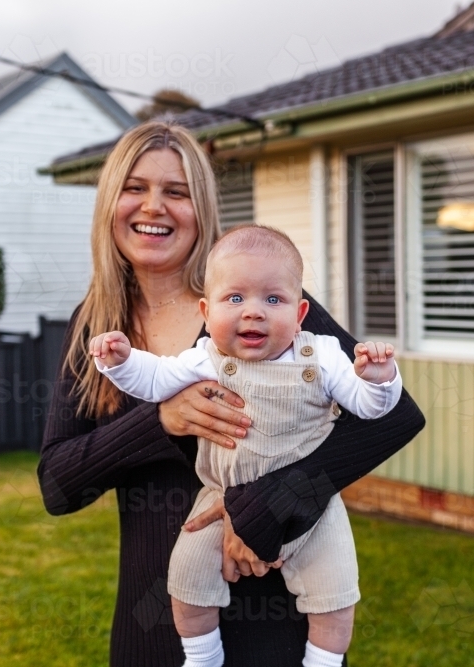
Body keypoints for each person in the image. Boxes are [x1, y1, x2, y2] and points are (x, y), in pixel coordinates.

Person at [37, 120, 426, 667]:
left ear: (202, 208)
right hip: (151, 618)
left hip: (271, 612)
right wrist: (161, 421)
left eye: (176, 192)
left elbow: (394, 416)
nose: (153, 207)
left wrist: (267, 505)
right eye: (135, 187)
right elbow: (58, 485)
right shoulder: (96, 328)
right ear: (109, 204)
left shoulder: (259, 301)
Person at [89, 225, 402, 667]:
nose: (253, 312)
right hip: (219, 502)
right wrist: (121, 362)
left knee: (335, 596)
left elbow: (370, 409)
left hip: (313, 508)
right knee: (187, 581)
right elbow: (156, 379)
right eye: (235, 298)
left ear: (300, 313)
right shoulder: (205, 357)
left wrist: (379, 380)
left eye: (273, 300)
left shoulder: (323, 355)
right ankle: (202, 657)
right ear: (207, 310)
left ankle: (324, 662)